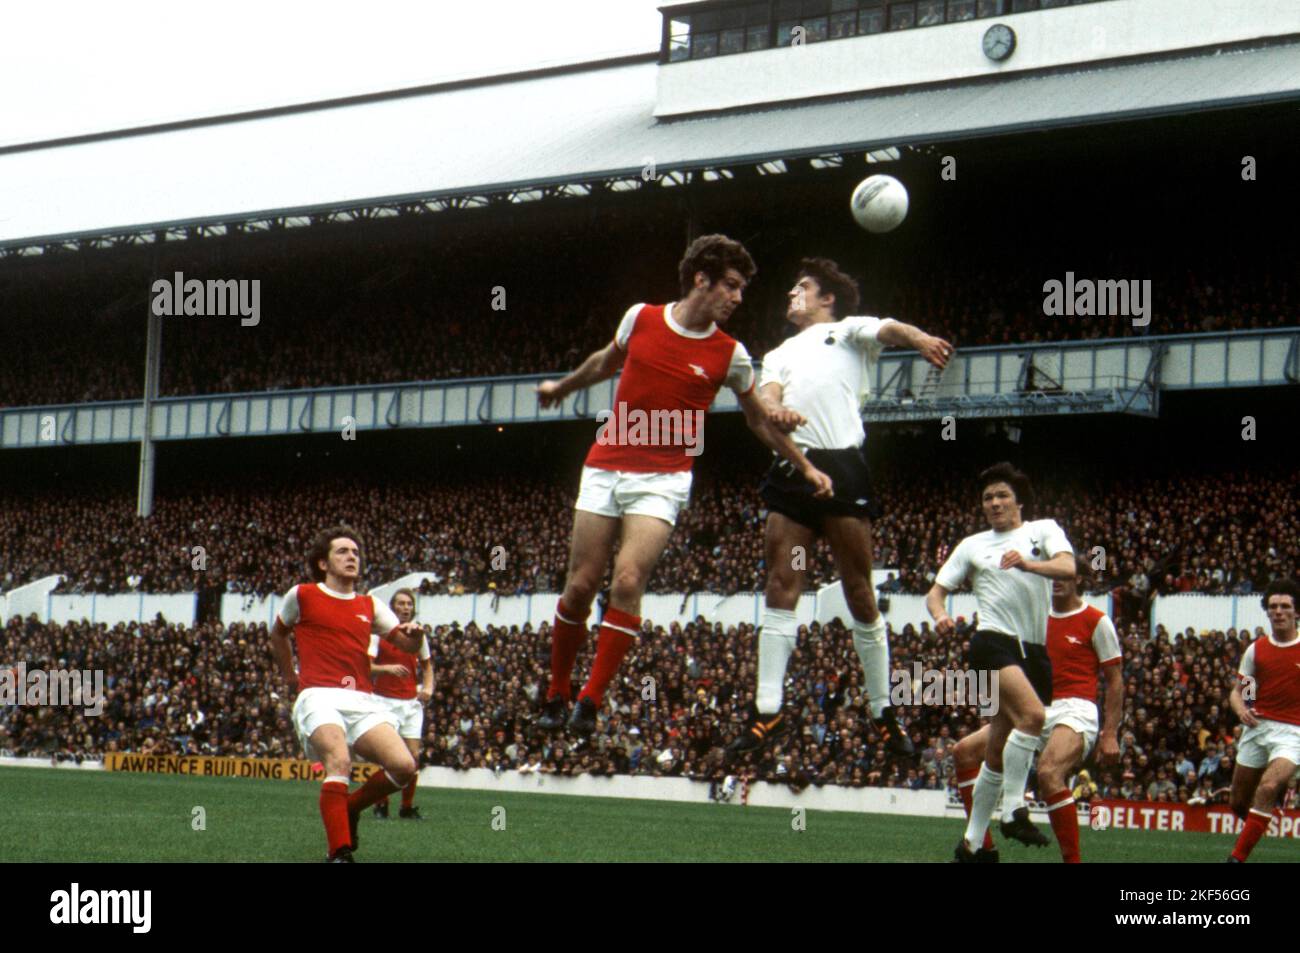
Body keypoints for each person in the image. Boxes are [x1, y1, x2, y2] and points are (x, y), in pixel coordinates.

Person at [534, 234, 832, 736]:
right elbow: (606, 362)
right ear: (701, 279)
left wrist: (803, 465)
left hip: (663, 477)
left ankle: (591, 700)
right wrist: (561, 388)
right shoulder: (641, 318)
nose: (738, 298)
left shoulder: (730, 354)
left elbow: (759, 421)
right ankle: (557, 690)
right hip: (607, 463)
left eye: (741, 290)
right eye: (731, 286)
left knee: (627, 581)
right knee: (581, 585)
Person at [727, 257, 953, 759]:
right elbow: (766, 396)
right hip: (794, 465)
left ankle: (881, 711)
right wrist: (776, 411)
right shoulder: (780, 352)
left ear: (827, 298)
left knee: (859, 593)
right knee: (781, 585)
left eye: (801, 287)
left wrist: (917, 340)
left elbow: (889, 327)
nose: (791, 294)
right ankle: (768, 710)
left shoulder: (849, 330)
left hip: (844, 467)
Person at [925, 463, 1076, 862]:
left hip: (1034, 653)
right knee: (1032, 717)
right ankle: (1013, 809)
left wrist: (1028, 563)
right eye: (988, 498)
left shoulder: (1041, 530)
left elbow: (1069, 567)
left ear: (1019, 500)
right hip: (992, 644)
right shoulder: (973, 544)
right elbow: (935, 592)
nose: (994, 503)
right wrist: (940, 615)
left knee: (995, 749)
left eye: (1001, 495)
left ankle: (971, 845)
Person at [268, 525, 426, 863]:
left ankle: (351, 807)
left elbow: (405, 643)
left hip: (362, 700)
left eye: (355, 552)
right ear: (323, 563)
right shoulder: (303, 595)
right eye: (342, 551)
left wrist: (414, 634)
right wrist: (288, 674)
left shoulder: (370, 604)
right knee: (339, 762)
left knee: (404, 766)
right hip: (318, 695)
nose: (351, 557)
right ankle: (338, 853)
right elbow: (278, 633)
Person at [952, 562, 1122, 862]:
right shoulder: (1031, 620)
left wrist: (1110, 734)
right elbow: (1006, 668)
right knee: (964, 752)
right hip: (1032, 707)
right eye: (1050, 575)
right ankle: (982, 849)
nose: (1055, 581)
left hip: (1075, 709)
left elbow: (1115, 680)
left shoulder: (1096, 620)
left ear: (1079, 579)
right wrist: (998, 712)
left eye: (1062, 575)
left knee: (1048, 772)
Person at [1226, 577, 1300, 862]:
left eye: (1284, 606)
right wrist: (1242, 709)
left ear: (1296, 612)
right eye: (1273, 606)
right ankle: (1263, 818)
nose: (1278, 611)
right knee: (1238, 802)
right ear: (1267, 611)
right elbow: (1239, 693)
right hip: (1258, 728)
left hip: (1293, 732)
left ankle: (1236, 858)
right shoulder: (1257, 650)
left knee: (1268, 786)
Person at [370, 587, 433, 820]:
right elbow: (365, 666)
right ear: (392, 607)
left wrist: (428, 688)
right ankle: (381, 803)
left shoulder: (418, 634)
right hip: (383, 701)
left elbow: (427, 665)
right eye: (401, 603)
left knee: (413, 757)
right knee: (388, 756)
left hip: (410, 703)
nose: (405, 607)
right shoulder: (379, 633)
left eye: (409, 604)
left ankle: (406, 807)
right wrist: (386, 668)